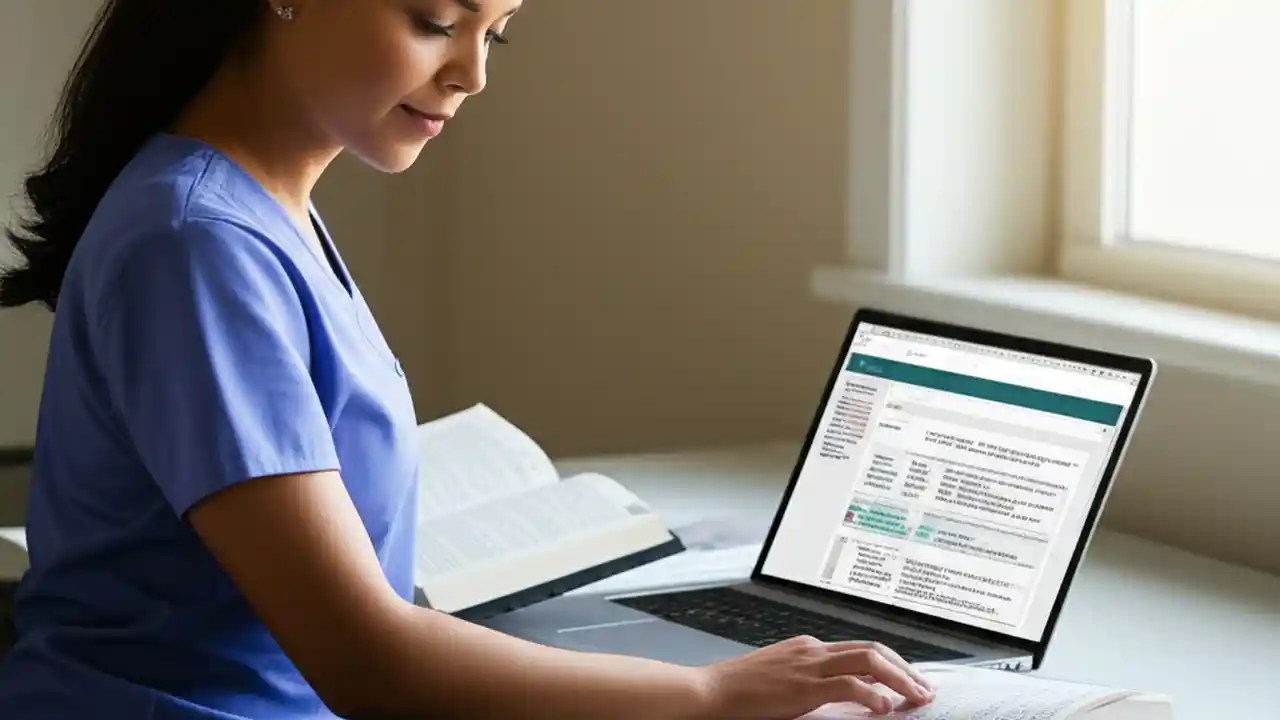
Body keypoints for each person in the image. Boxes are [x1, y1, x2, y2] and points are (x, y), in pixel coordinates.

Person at [0, 1, 936, 717]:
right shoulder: (196, 242)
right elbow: (366, 662)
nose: (472, 74)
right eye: (436, 22)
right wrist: (709, 694)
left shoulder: (258, 209)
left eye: (497, 33)